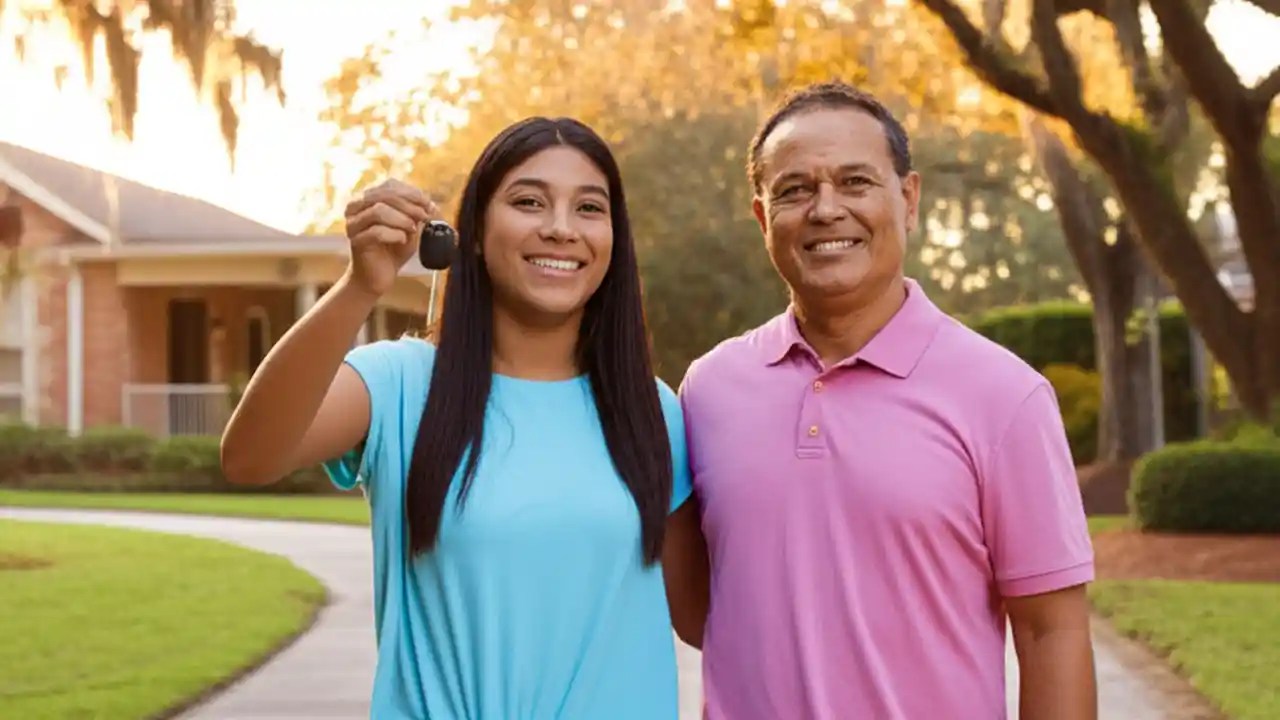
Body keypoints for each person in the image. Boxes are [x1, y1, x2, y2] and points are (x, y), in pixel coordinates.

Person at [220, 116, 705, 719]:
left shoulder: (652, 409)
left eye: (589, 208)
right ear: (471, 233)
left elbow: (704, 618)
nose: (560, 229)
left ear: (613, 239)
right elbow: (250, 457)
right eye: (529, 201)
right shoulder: (398, 383)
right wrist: (358, 286)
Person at [676, 82, 1098, 719]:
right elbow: (708, 610)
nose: (825, 210)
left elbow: (1052, 632)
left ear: (908, 199)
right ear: (764, 217)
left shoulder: (1005, 397)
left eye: (855, 182)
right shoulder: (708, 390)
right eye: (795, 189)